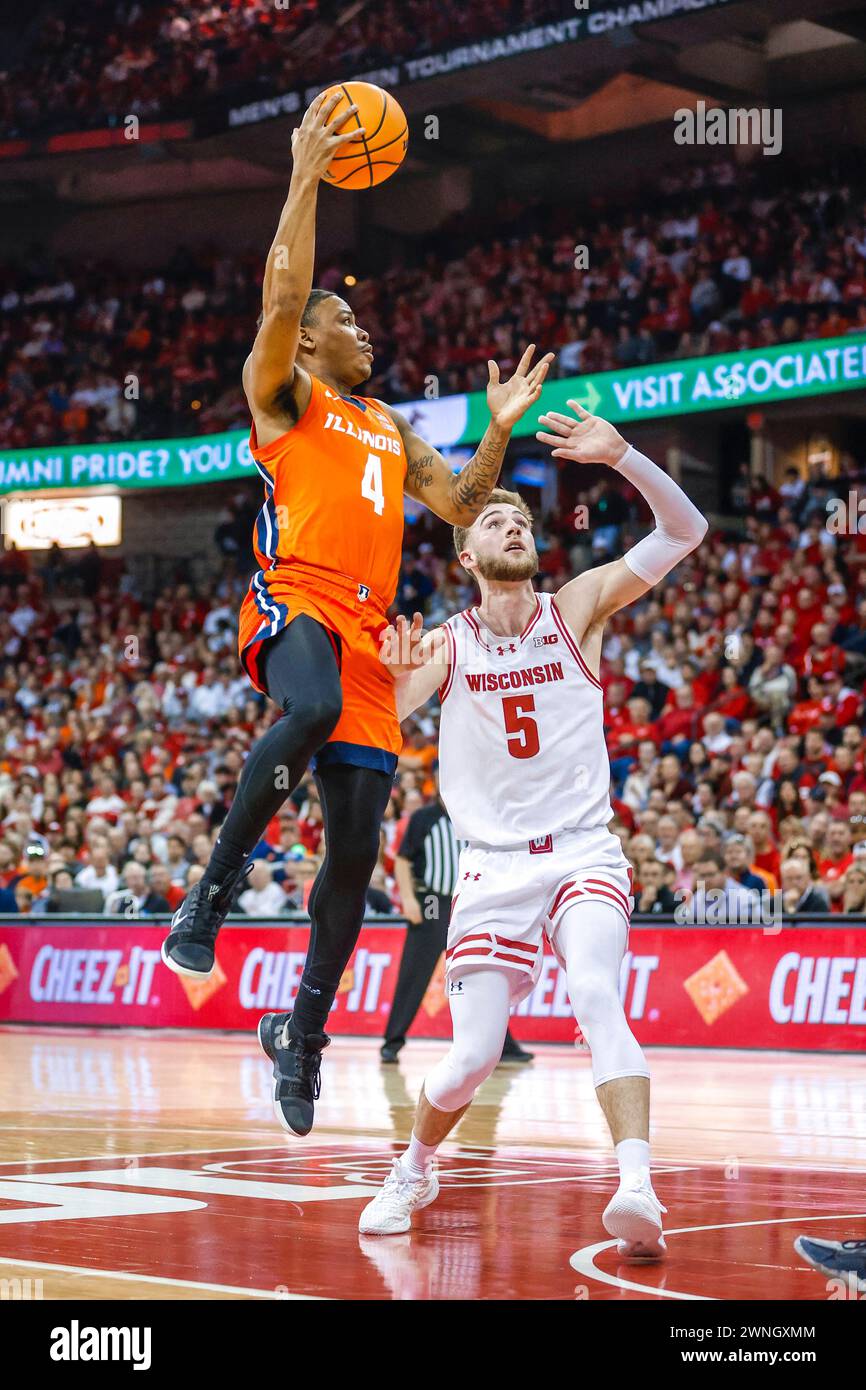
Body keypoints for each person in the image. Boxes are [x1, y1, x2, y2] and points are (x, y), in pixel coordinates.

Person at [161, 89, 553, 1139]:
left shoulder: (383, 424)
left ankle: (303, 1033)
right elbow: (285, 287)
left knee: (348, 856)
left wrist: (498, 432)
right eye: (347, 320)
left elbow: (465, 508)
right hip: (296, 598)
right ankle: (206, 895)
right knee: (303, 707)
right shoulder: (284, 396)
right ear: (309, 344)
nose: (361, 327)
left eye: (360, 318)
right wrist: (303, 172)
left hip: (374, 631)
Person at [359, 400, 707, 1256]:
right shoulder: (446, 642)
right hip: (490, 870)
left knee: (595, 992)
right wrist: (391, 684)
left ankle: (636, 1187)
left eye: (521, 518)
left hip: (585, 852)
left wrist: (623, 457)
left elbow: (686, 529)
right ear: (466, 554)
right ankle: (415, 1165)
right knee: (471, 1056)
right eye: (493, 520)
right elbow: (383, 725)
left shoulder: (578, 605)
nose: (512, 525)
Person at [381, 768, 532, 1065]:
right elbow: (402, 860)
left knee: (484, 972)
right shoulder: (423, 818)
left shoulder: (475, 815)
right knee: (413, 975)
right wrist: (409, 899)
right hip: (432, 904)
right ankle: (392, 1042)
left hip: (470, 904)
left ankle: (504, 1046)